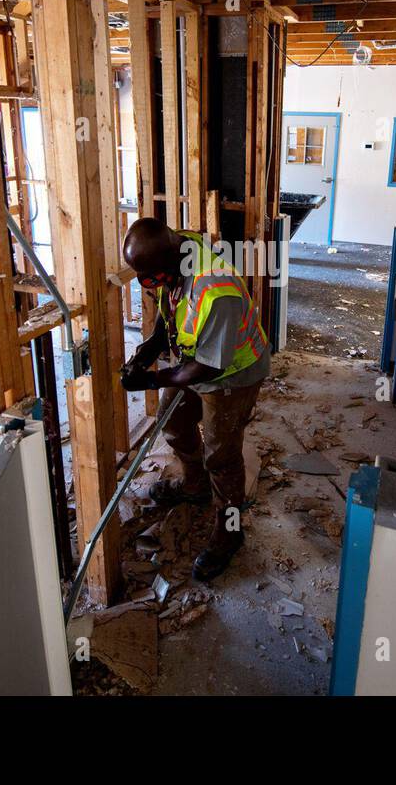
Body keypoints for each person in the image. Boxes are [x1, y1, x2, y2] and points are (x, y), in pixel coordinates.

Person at [118, 217, 271, 581]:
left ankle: (230, 530)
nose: (146, 285)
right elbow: (169, 309)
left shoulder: (217, 291)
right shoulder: (177, 249)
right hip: (196, 359)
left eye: (150, 276)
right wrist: (149, 349)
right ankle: (194, 486)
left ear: (170, 260)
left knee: (222, 454)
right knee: (173, 420)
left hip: (232, 372)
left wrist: (152, 379)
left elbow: (207, 369)